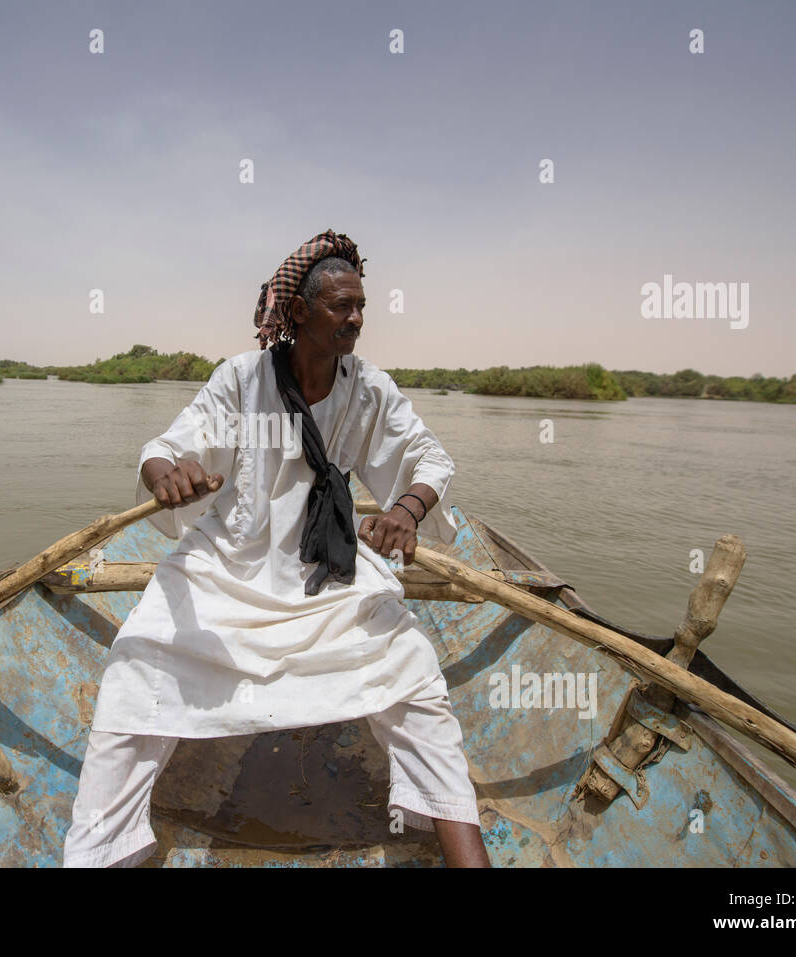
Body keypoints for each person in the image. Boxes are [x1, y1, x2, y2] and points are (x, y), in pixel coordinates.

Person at [63, 230, 490, 868]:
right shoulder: (240, 380)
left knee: (414, 672)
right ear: (295, 314)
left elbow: (427, 457)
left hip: (326, 571)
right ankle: (100, 852)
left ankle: (465, 851)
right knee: (136, 670)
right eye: (341, 306)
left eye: (361, 306)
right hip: (228, 568)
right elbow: (168, 447)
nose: (356, 318)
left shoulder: (366, 387)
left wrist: (406, 507)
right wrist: (168, 478)